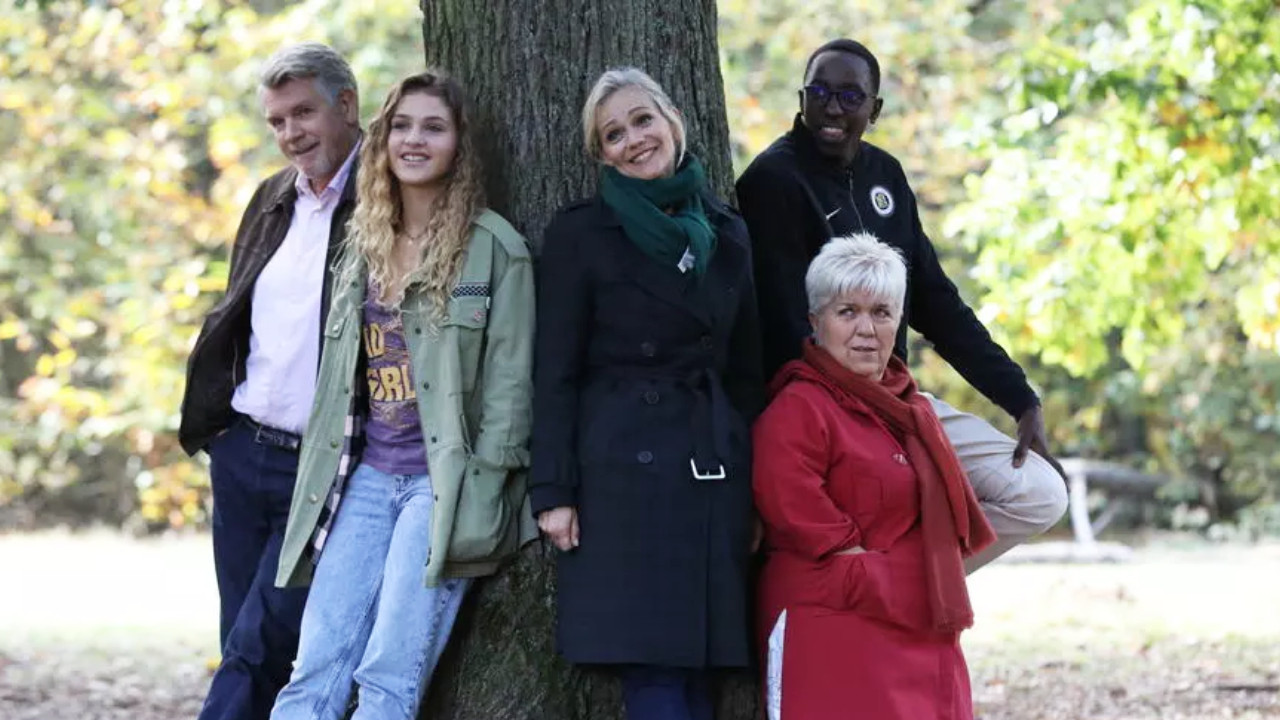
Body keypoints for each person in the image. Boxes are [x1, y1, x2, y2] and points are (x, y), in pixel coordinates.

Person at [736, 38, 1067, 571]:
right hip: (824, 410)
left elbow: (934, 300)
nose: (833, 108)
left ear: (875, 108)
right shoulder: (772, 180)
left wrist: (1018, 396)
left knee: (1040, 492)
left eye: (850, 96)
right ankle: (894, 588)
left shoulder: (885, 175)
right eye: (819, 92)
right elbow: (779, 324)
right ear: (800, 98)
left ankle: (916, 582)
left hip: (896, 397)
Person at [267, 70, 535, 720]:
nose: (416, 139)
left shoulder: (495, 249)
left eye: (434, 127)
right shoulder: (361, 246)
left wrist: (485, 490)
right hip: (364, 479)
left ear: (457, 146)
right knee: (315, 669)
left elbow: (510, 388)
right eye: (404, 126)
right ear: (384, 139)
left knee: (389, 675)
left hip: (441, 489)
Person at [529, 67, 764, 720]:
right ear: (600, 154)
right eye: (613, 134)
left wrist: (757, 493)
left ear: (671, 122)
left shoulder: (728, 233)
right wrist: (553, 491)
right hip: (619, 477)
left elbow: (748, 376)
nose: (633, 139)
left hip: (711, 470)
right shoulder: (580, 235)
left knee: (697, 673)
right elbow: (554, 372)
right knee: (654, 673)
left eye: (642, 120)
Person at [178, 42, 362, 720]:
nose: (291, 134)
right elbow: (240, 314)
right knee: (242, 641)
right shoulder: (271, 198)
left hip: (323, 465)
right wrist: (220, 429)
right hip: (243, 452)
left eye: (304, 113)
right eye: (278, 121)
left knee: (261, 643)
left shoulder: (385, 200)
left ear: (347, 105)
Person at [754, 232, 996, 720]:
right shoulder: (798, 406)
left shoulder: (910, 408)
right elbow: (794, 506)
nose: (866, 329)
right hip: (832, 618)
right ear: (816, 322)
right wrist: (871, 572)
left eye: (881, 313)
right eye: (848, 312)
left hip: (917, 621)